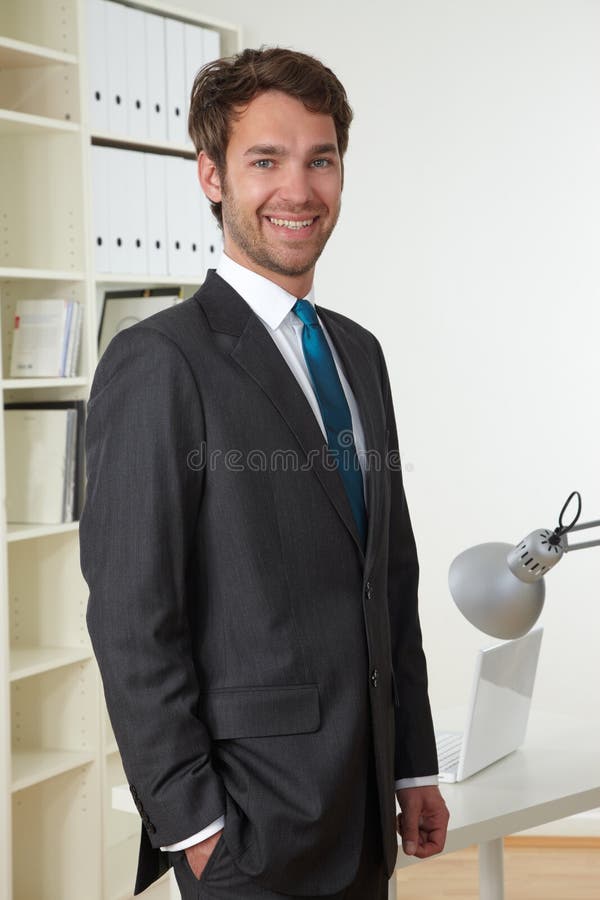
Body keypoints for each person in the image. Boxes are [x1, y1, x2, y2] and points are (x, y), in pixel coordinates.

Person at [80, 47, 449, 900]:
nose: (300, 188)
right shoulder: (159, 362)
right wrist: (194, 826)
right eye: (265, 160)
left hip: (363, 809)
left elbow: (387, 579)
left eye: (321, 160)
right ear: (211, 177)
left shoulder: (360, 354)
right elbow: (134, 619)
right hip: (249, 829)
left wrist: (412, 763)